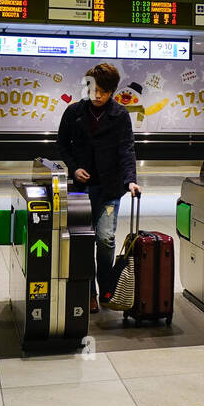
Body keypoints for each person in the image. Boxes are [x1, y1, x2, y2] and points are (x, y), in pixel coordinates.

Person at [57, 63, 141, 313]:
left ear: (112, 92)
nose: (96, 96)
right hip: (80, 190)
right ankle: (89, 292)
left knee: (105, 239)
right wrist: (73, 168)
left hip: (109, 188)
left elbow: (127, 149)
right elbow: (62, 144)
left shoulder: (120, 115)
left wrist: (130, 179)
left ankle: (106, 288)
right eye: (93, 90)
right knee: (83, 242)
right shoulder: (73, 112)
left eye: (103, 92)